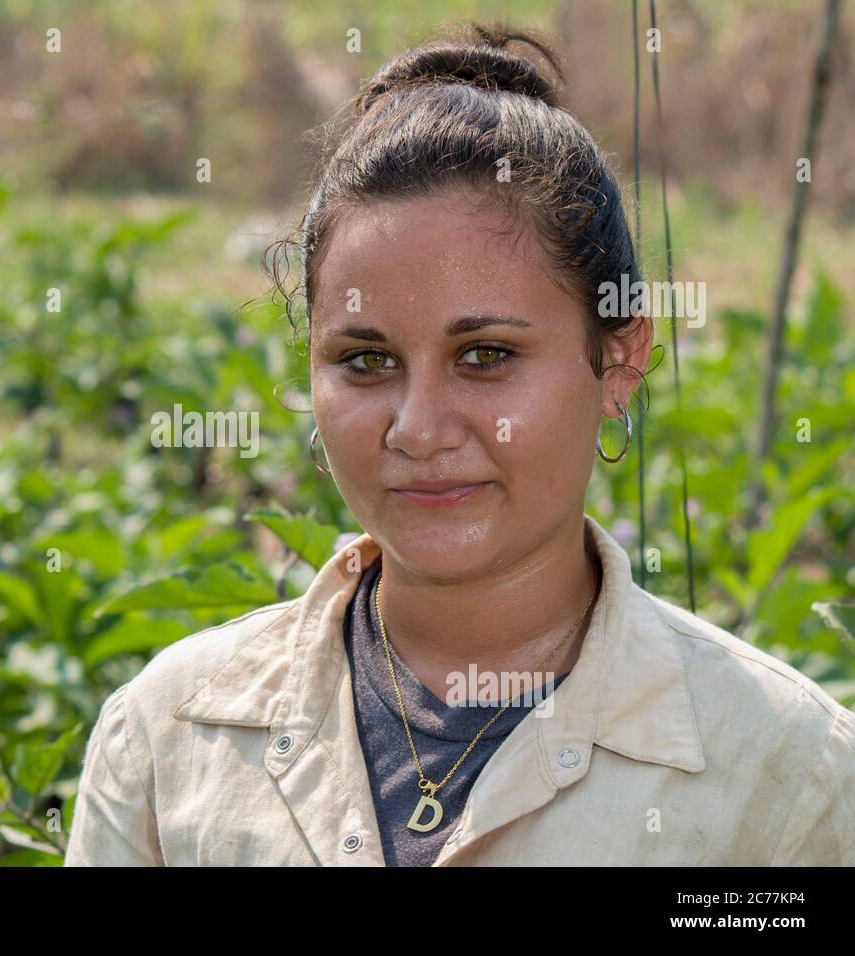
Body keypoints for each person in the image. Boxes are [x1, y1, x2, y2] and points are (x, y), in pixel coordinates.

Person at [64, 25, 855, 866]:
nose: (419, 428)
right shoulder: (170, 739)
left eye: (486, 357)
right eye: (365, 361)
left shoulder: (784, 776)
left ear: (619, 359)